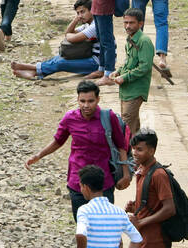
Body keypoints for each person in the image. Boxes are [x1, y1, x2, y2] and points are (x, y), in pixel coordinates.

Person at [27, 80, 132, 215]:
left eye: (90, 101)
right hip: (77, 182)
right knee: (82, 224)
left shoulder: (108, 117)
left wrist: (126, 173)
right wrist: (39, 156)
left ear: (98, 99)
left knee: (104, 221)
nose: (86, 105)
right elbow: (58, 141)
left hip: (103, 182)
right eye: (82, 101)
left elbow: (121, 145)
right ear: (77, 100)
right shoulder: (70, 118)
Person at [66, 164, 141, 248]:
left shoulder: (85, 210)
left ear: (87, 188)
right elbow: (137, 239)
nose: (81, 190)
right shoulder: (118, 212)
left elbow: (80, 234)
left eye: (81, 186)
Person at [125, 130, 175, 248]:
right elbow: (152, 202)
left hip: (154, 245)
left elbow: (169, 208)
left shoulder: (158, 174)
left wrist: (142, 222)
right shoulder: (142, 170)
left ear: (152, 151)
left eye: (139, 149)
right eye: (133, 148)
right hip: (145, 243)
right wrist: (135, 207)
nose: (134, 153)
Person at [11, 0, 103, 80]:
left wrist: (69, 35)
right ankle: (33, 72)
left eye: (82, 12)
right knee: (59, 58)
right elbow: (68, 32)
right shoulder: (88, 24)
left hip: (97, 64)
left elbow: (72, 38)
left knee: (61, 63)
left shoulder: (95, 26)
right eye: (78, 13)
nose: (80, 16)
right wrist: (75, 20)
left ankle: (32, 67)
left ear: (92, 10)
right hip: (91, 57)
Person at [103, 7, 154, 138]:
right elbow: (129, 62)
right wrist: (118, 72)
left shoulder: (144, 41)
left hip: (136, 89)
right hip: (126, 89)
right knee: (133, 125)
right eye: (126, 22)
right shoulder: (129, 39)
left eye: (131, 23)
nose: (127, 26)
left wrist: (125, 77)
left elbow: (145, 67)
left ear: (140, 24)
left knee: (125, 125)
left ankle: (126, 155)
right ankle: (137, 153)